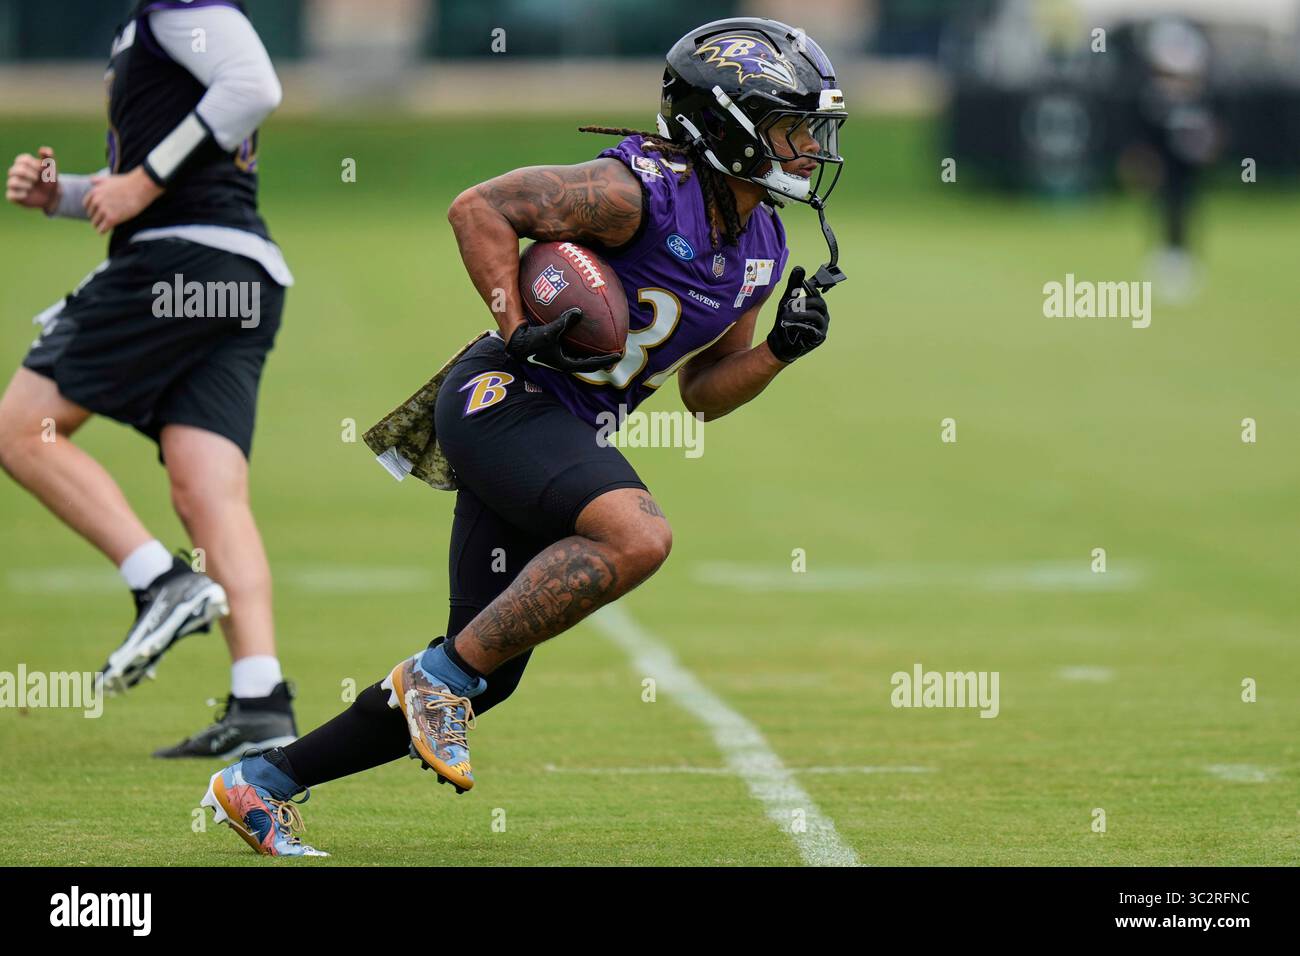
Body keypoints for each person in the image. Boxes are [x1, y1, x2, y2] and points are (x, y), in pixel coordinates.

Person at [201, 16, 846, 857]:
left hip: (563, 425)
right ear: (725, 125)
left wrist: (778, 353)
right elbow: (480, 208)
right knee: (637, 535)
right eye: (793, 127)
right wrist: (513, 321)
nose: (809, 148)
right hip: (503, 397)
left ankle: (261, 783)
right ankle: (432, 684)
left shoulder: (762, 239)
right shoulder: (634, 192)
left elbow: (702, 395)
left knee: (488, 672)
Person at [1, 0, 299, 758]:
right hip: (237, 275)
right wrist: (64, 194)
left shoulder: (182, 9)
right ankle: (261, 697)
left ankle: (161, 581)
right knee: (207, 491)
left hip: (181, 265)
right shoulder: (150, 26)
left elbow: (254, 86)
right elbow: (158, 170)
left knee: (20, 429)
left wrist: (139, 183)